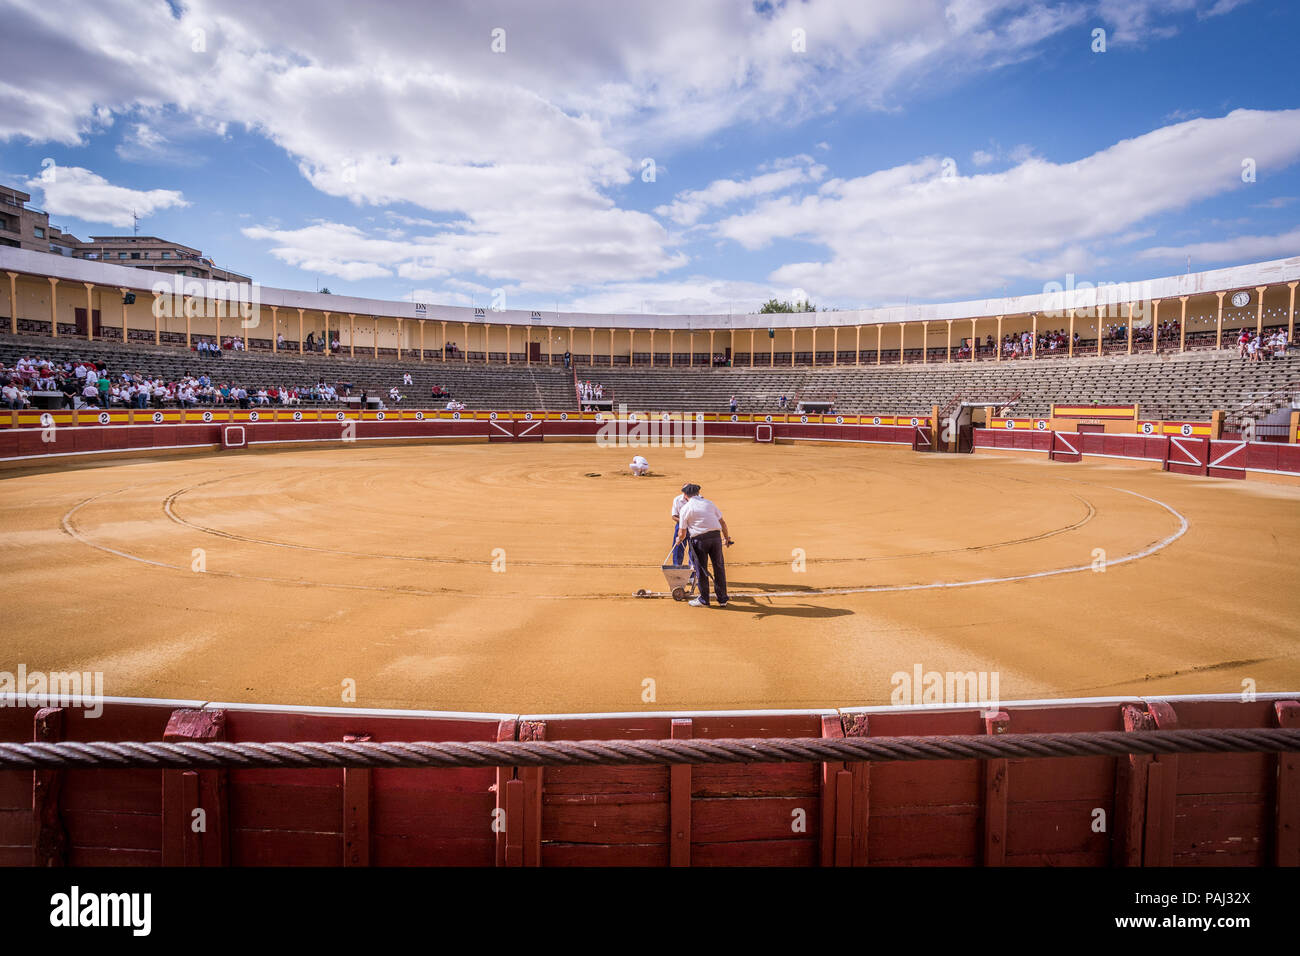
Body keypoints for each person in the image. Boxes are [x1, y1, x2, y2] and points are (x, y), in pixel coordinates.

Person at [674, 483, 734, 608]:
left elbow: (682, 532)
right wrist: (726, 538)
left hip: (700, 540)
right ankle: (722, 599)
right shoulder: (709, 503)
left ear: (685, 495)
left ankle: (704, 599)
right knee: (719, 568)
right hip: (716, 538)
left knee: (701, 569)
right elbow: (722, 522)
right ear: (697, 493)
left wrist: (679, 539)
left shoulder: (686, 508)